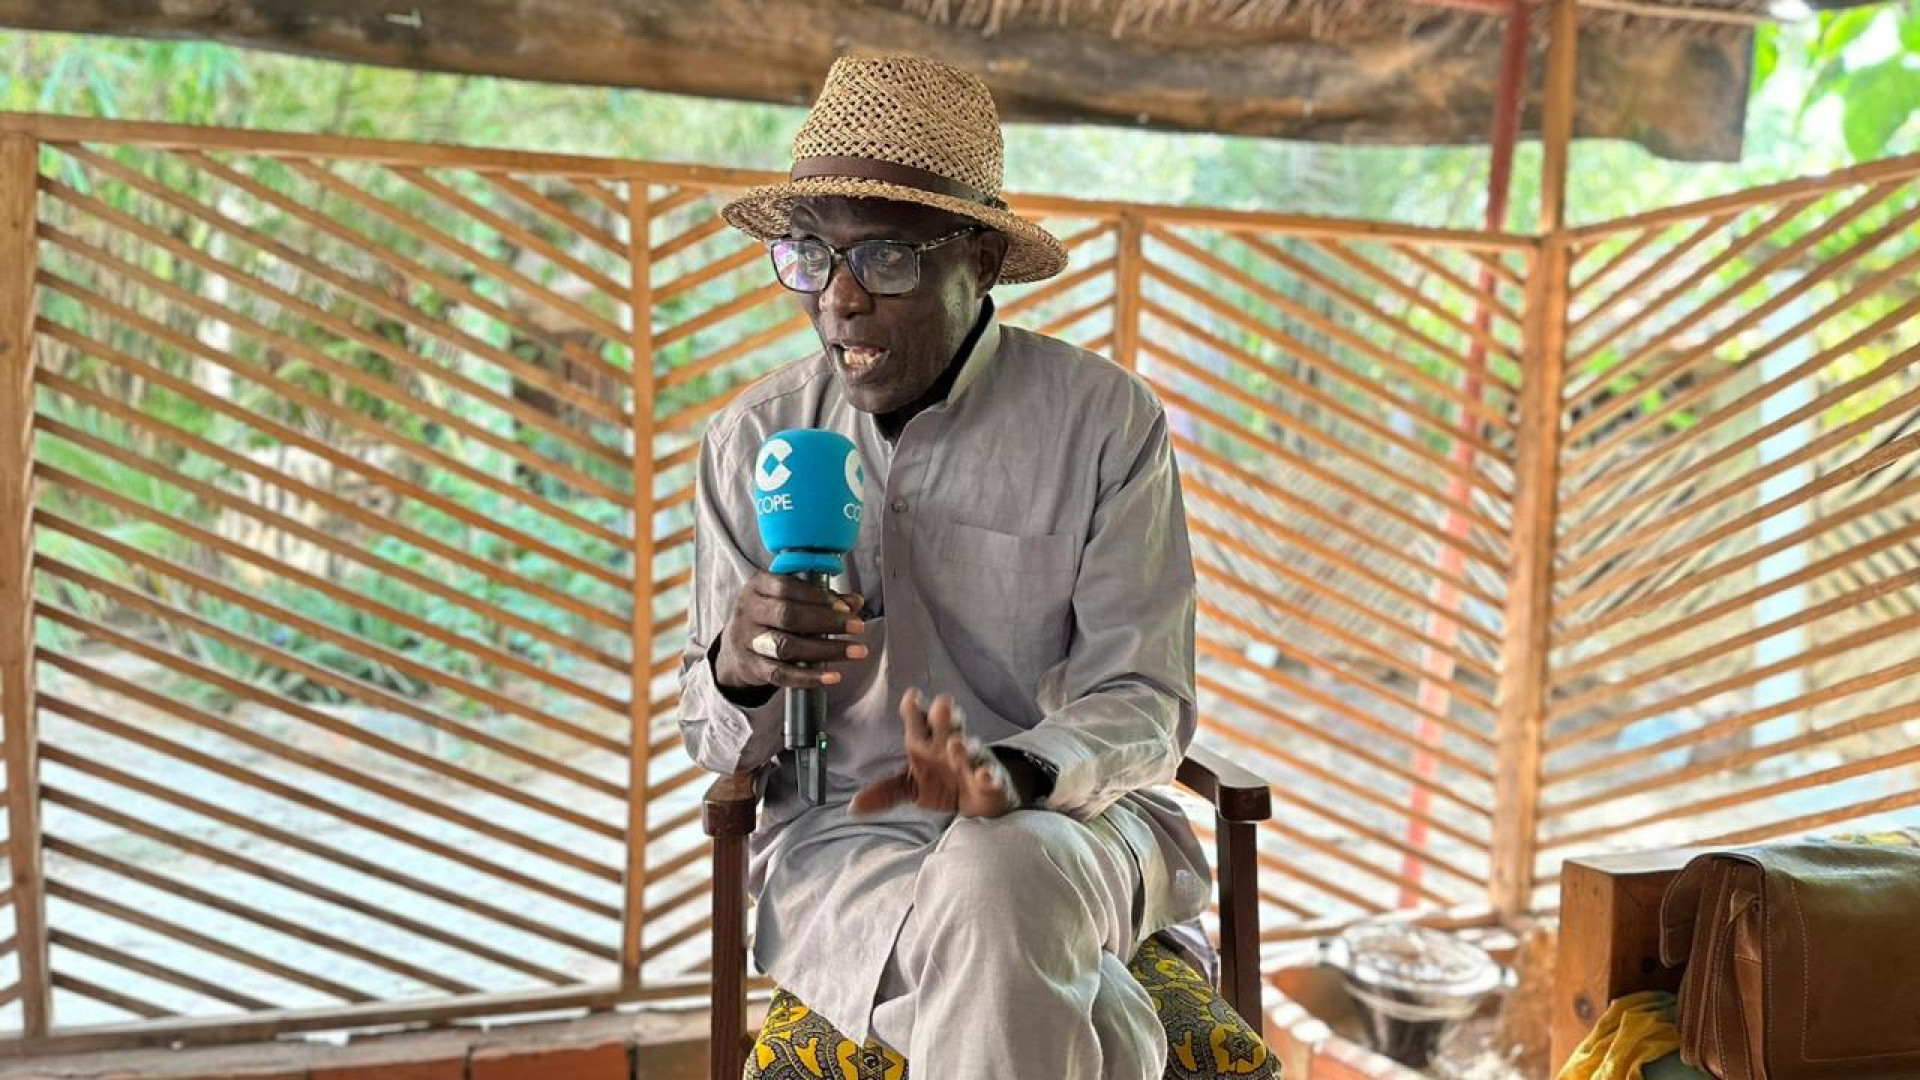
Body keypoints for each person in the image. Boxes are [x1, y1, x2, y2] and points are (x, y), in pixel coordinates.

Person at [678, 53, 1210, 1080]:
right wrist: (738, 668)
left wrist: (1014, 773)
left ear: (975, 251)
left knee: (1001, 868)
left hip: (1077, 825)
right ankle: (1110, 1028)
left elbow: (1146, 698)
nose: (837, 300)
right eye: (808, 255)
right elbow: (714, 741)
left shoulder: (1104, 425)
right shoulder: (752, 442)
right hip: (845, 852)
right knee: (1012, 948)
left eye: (882, 260)